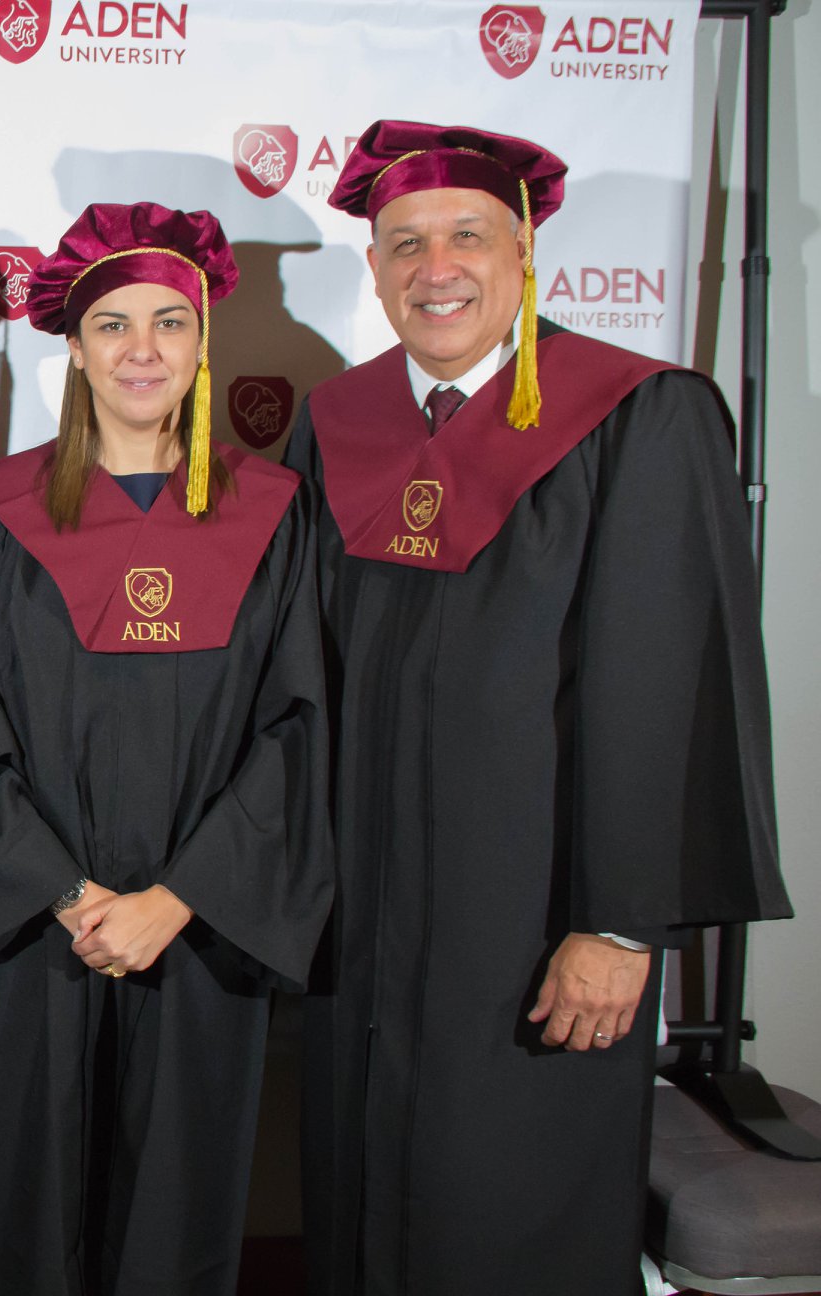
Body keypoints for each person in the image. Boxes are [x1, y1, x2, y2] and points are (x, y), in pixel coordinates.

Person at [286, 119, 792, 1296]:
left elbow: (663, 687)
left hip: (535, 919)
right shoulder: (338, 424)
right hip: (365, 919)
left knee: (504, 1208)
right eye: (403, 244)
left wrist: (618, 928)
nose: (435, 267)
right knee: (358, 1201)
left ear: (526, 254)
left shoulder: (635, 414)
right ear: (373, 270)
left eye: (467, 234)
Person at [0, 203, 332, 1295]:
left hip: (197, 935)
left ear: (204, 343)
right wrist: (64, 894)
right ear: (73, 343)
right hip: (32, 931)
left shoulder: (275, 512)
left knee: (175, 1215)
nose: (141, 349)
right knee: (18, 1201)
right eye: (112, 324)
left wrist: (176, 900)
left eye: (168, 322)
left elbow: (295, 732)